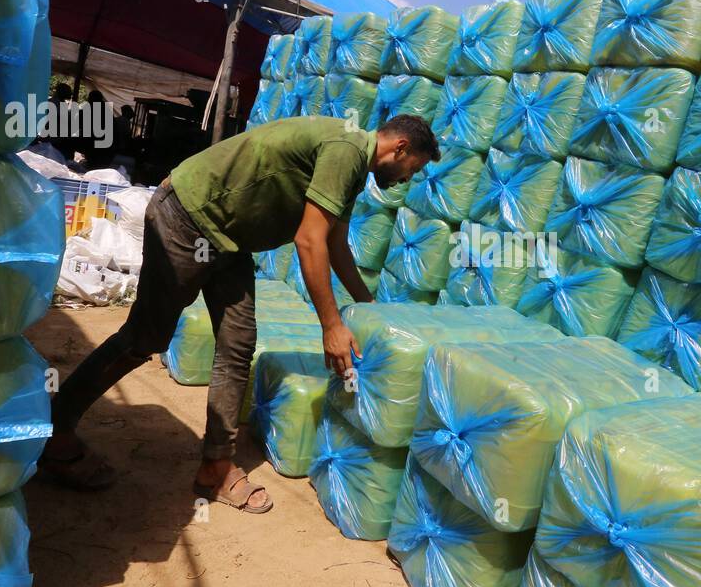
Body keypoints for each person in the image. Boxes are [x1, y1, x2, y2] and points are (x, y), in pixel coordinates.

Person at [39, 114, 440, 513]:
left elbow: (335, 242)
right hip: (188, 216)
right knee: (144, 338)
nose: (407, 179)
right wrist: (331, 326)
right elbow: (309, 240)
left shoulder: (352, 162)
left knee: (237, 344)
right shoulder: (347, 149)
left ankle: (216, 466)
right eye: (413, 168)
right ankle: (56, 431)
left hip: (228, 239)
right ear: (400, 148)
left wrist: (366, 304)